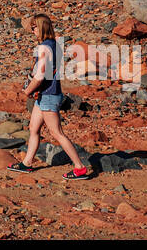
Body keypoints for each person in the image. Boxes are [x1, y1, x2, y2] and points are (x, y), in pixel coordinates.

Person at [9, 13, 92, 179]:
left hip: (48, 95)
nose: (33, 31)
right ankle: (27, 163)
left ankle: (80, 167)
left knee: (57, 133)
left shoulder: (44, 48)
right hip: (47, 94)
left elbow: (39, 76)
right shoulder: (54, 44)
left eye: (34, 28)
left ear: (40, 28)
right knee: (33, 128)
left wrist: (27, 91)